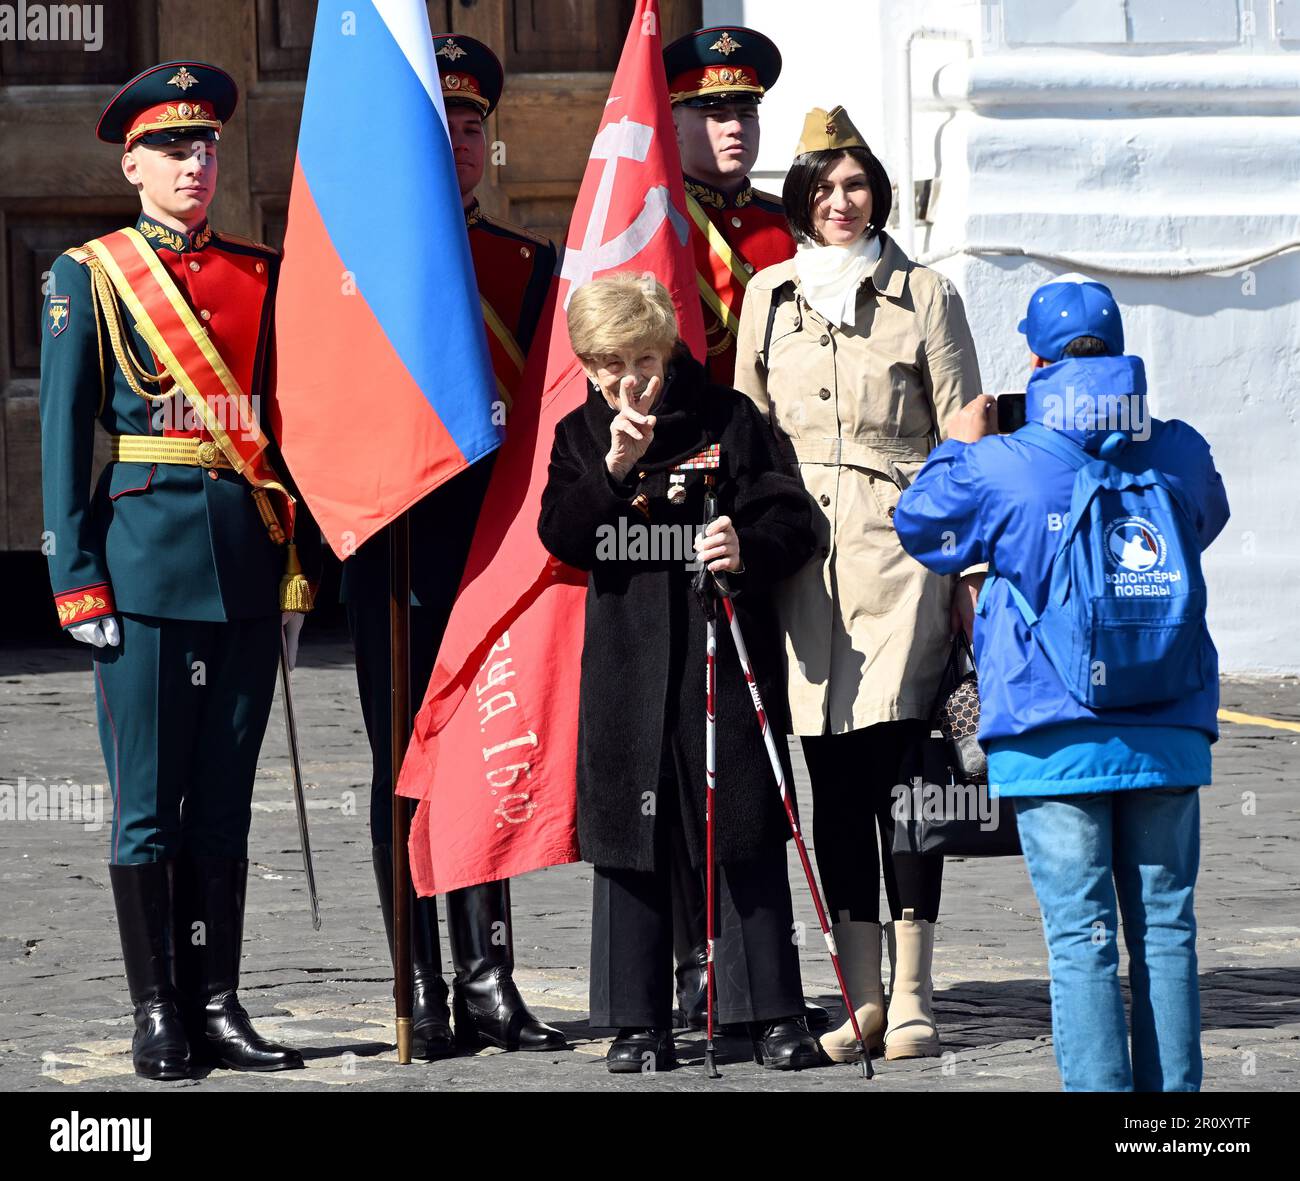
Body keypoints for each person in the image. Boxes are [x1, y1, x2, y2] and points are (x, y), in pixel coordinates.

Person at [38, 61, 322, 1079]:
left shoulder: (257, 273)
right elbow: (66, 436)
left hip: (245, 566)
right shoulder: (92, 274)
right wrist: (76, 576)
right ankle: (157, 1007)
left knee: (224, 802)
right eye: (171, 146)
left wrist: (294, 572)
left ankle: (217, 998)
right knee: (148, 803)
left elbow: (282, 434)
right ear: (132, 163)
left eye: (203, 145)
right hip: (144, 568)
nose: (193, 163)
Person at [894, 276, 1230, 1091]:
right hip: (1166, 723)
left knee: (1080, 936)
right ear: (1118, 350)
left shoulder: (1006, 463)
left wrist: (962, 443)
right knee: (1166, 929)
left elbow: (921, 523)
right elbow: (1207, 519)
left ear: (1038, 358)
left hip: (1054, 729)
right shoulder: (1178, 446)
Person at [732, 106, 985, 1063]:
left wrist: (965, 564)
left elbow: (964, 427)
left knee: (908, 764)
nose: (844, 203)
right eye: (825, 188)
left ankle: (916, 992)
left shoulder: (924, 291)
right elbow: (753, 432)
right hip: (801, 562)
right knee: (829, 771)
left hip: (904, 550)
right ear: (801, 198)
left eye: (857, 185)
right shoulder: (772, 294)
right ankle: (861, 992)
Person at [340, 33, 563, 1057]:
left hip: (493, 554)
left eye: (472, 128)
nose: (461, 145)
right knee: (407, 767)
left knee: (490, 762)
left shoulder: (524, 265)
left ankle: (490, 976)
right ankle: (417, 979)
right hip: (396, 556)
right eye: (443, 129)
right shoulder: (359, 270)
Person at [538, 273, 823, 1073]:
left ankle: (766, 1009)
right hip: (630, 665)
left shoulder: (728, 417)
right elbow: (562, 535)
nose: (629, 379)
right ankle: (639, 1019)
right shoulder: (579, 433)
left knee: (743, 825)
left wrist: (746, 544)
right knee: (634, 835)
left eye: (643, 359)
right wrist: (612, 470)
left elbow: (793, 518)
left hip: (719, 652)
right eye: (609, 363)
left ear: (669, 348)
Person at [662, 23, 827, 1033]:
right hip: (672, 513)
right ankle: (691, 954)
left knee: (768, 750)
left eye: (744, 109)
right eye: (712, 111)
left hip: (764, 506)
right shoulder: (648, 224)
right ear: (671, 121)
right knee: (679, 751)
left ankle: (768, 964)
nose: (733, 126)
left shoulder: (781, 235)